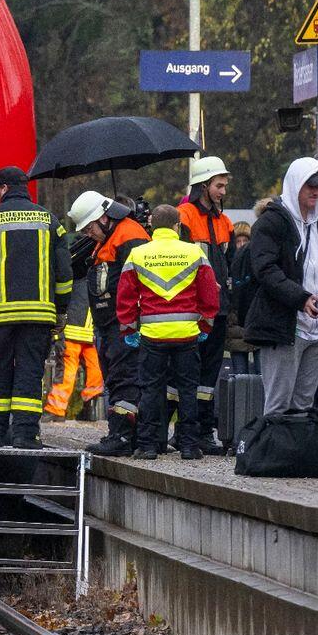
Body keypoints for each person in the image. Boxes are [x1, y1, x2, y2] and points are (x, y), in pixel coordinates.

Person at [0, 165, 74, 448]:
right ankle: (25, 435)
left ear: (3, 189)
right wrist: (61, 310)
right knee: (30, 372)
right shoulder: (51, 221)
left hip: (1, 315)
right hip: (39, 315)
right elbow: (65, 273)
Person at [118, 204, 220, 460]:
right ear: (177, 226)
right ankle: (188, 446)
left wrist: (130, 330)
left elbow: (125, 297)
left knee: (151, 390)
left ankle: (148, 446)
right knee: (188, 390)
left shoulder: (138, 255)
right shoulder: (194, 252)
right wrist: (205, 326)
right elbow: (209, 295)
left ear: (152, 225)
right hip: (187, 334)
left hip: (152, 335)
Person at [248, 157, 318, 418]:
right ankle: (273, 458)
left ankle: (296, 457)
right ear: (295, 184)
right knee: (278, 405)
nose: (316, 190)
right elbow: (265, 270)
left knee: (303, 406)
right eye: (309, 184)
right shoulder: (271, 222)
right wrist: (300, 298)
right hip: (284, 326)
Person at [68, 190, 151, 456]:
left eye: (90, 228)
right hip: (110, 323)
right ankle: (125, 434)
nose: (88, 233)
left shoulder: (129, 235)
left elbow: (137, 283)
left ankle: (123, 437)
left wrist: (130, 324)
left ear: (104, 217)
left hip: (124, 324)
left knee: (125, 378)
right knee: (116, 379)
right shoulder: (105, 240)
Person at [178, 156, 235, 450]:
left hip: (219, 308)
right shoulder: (184, 215)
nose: (223, 192)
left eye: (224, 186)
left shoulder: (224, 222)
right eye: (218, 186)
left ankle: (201, 431)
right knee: (188, 371)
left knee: (208, 374)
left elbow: (229, 264)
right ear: (203, 185)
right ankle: (184, 430)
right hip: (193, 308)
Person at [44, 275, 104, 419]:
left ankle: (56, 410)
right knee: (95, 370)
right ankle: (91, 407)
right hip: (91, 334)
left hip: (74, 332)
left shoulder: (74, 281)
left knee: (67, 372)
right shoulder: (98, 280)